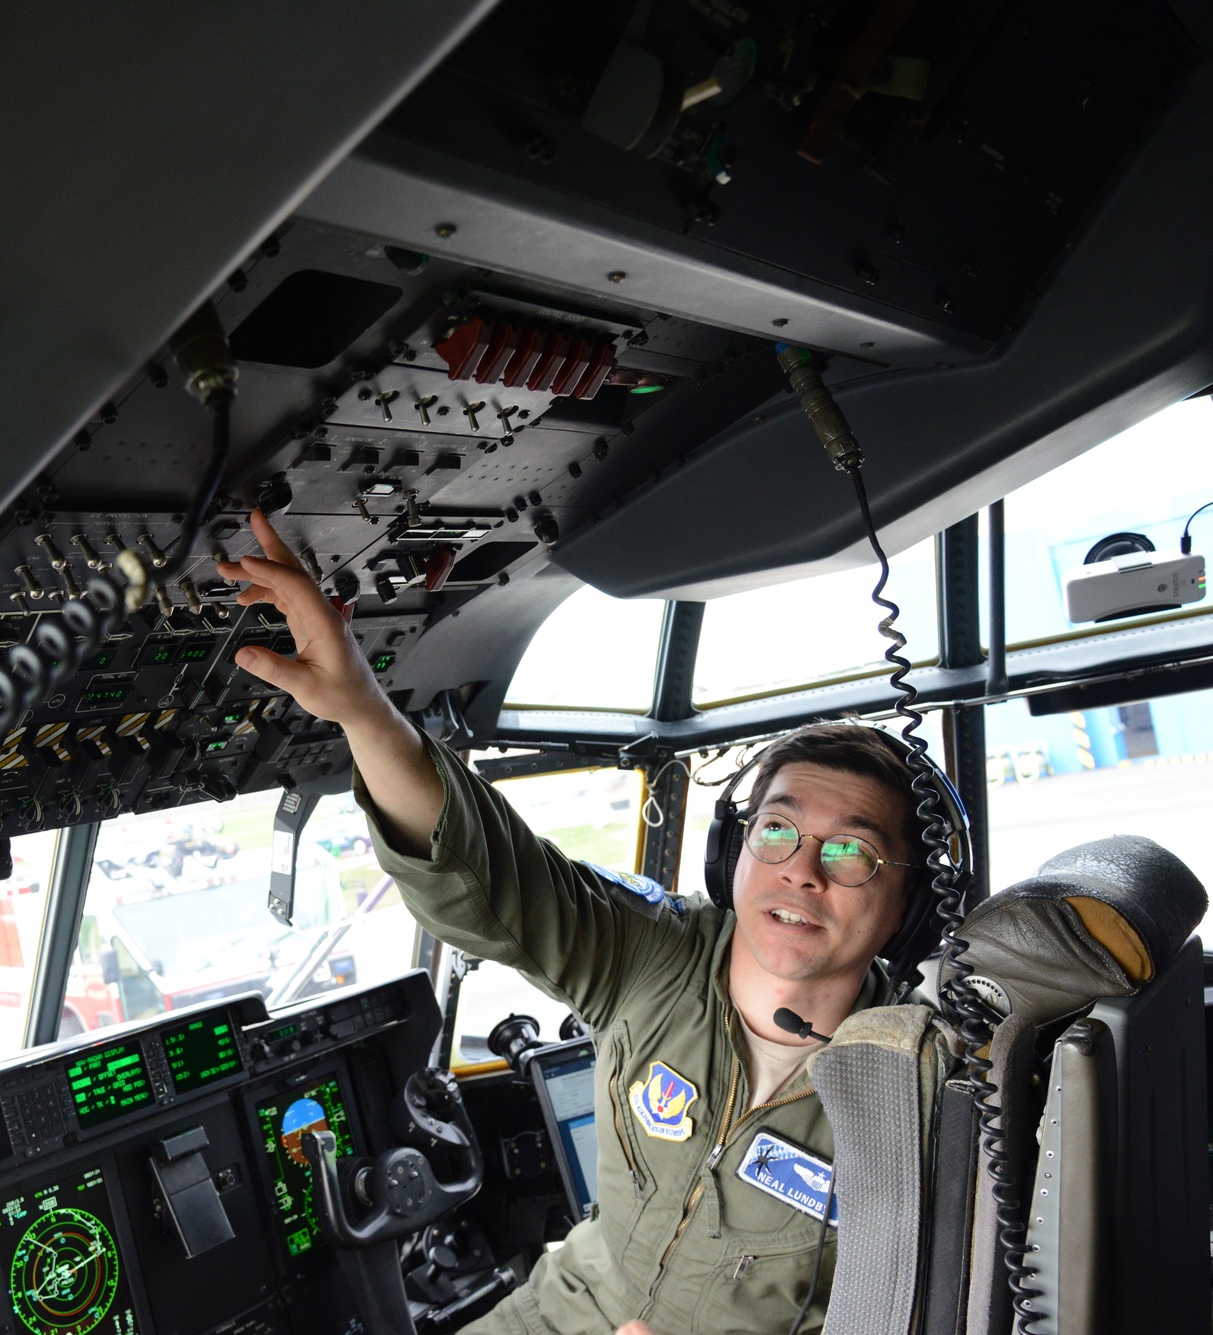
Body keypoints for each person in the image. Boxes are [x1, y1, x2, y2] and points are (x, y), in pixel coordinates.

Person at [218, 510, 933, 1335]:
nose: (801, 870)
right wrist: (362, 708)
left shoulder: (914, 1092)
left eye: (852, 852)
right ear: (734, 850)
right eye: (777, 829)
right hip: (562, 1311)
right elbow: (490, 875)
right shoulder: (655, 955)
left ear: (907, 906)